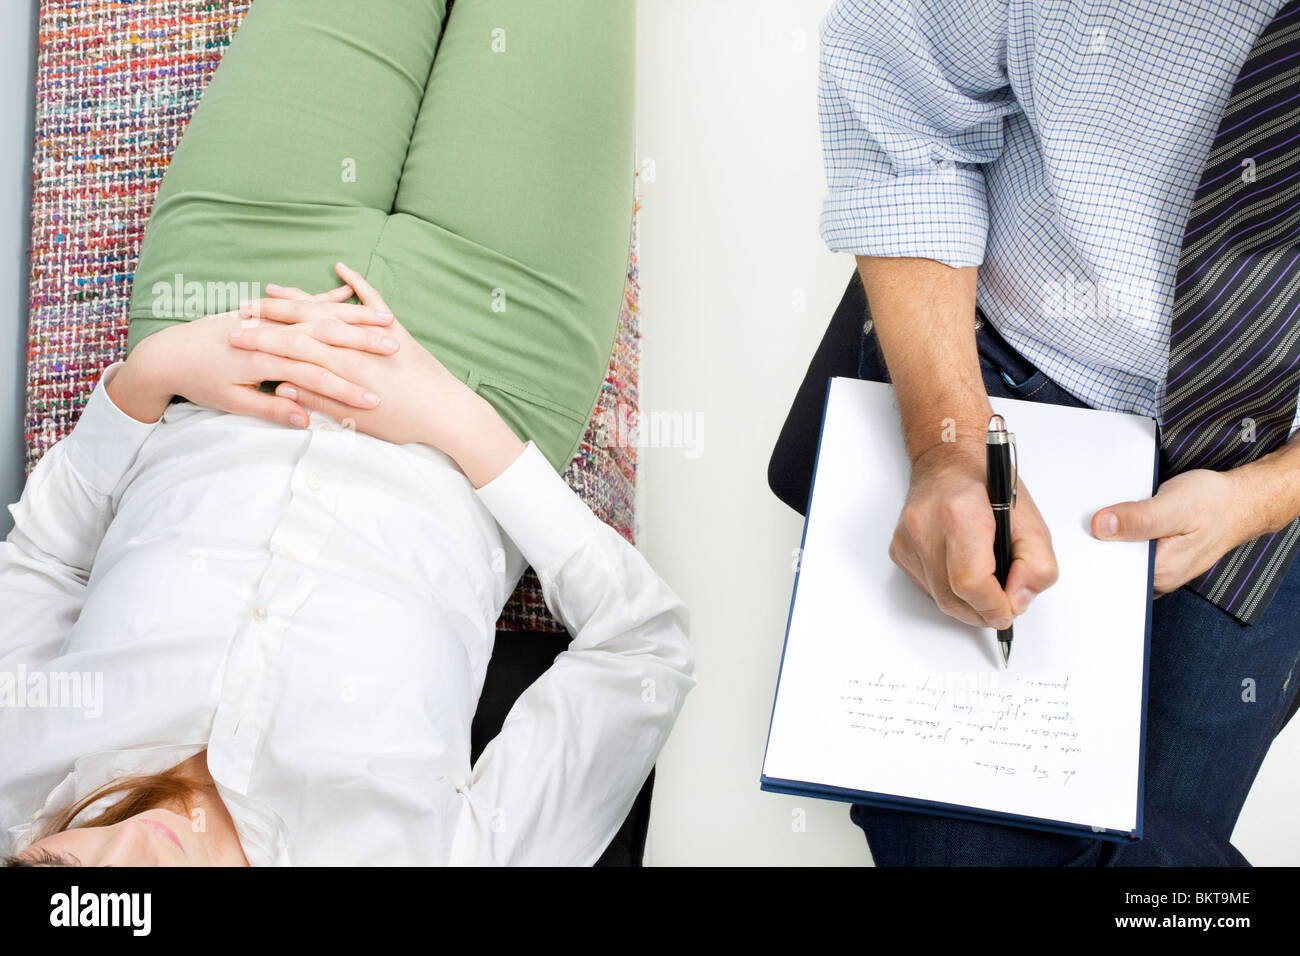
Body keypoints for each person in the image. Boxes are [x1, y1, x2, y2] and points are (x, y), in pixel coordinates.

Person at [2, 0, 695, 866]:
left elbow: (42, 559)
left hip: (235, 292)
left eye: (61, 867)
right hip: (492, 348)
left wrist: (155, 374)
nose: (119, 847)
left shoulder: (14, 777)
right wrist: (454, 420)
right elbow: (643, 648)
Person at [770, 0, 1300, 864]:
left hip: (1274, 478)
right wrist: (949, 442)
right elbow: (901, 85)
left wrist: (1267, 496)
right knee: (955, 834)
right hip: (1004, 389)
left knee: (1144, 843)